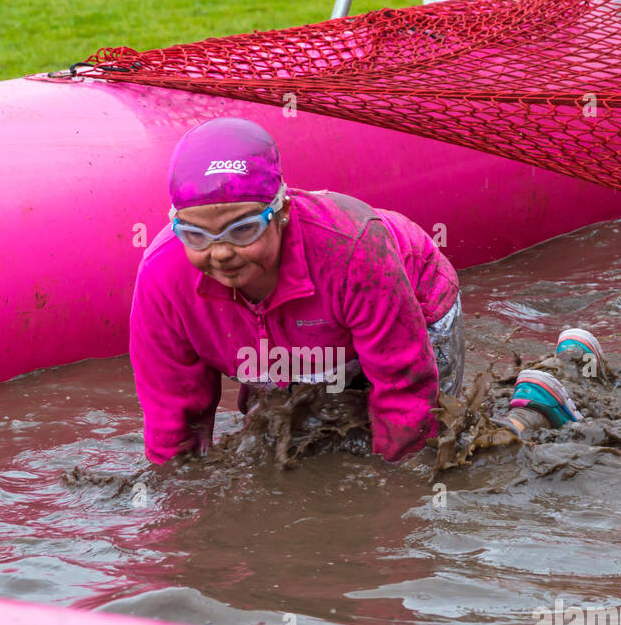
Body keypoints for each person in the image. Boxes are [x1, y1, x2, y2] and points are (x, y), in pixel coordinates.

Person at [129, 117, 463, 464]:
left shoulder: (354, 249)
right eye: (197, 235)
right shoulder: (161, 277)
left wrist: (394, 493)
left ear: (282, 212)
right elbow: (172, 420)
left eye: (242, 230)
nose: (222, 252)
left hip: (413, 303)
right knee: (277, 446)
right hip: (286, 342)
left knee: (427, 443)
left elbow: (403, 391)